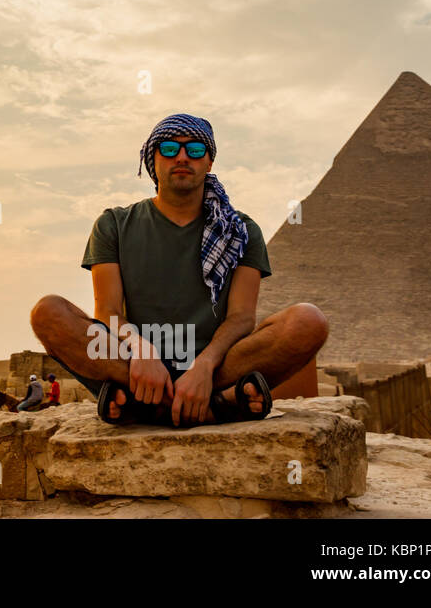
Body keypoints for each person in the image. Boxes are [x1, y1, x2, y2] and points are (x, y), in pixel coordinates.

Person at [29, 113, 329, 427]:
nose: (183, 157)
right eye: (170, 149)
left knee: (309, 321)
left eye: (195, 150)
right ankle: (212, 405)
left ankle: (155, 404)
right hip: (134, 362)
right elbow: (108, 311)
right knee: (47, 313)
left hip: (217, 367)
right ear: (152, 161)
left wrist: (204, 367)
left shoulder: (239, 230)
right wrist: (141, 351)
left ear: (209, 162)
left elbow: (241, 317)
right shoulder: (113, 225)